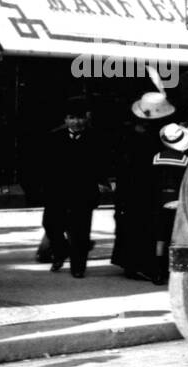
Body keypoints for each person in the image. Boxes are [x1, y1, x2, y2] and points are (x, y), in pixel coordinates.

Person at [42, 97, 110, 278]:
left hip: (84, 191)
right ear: (65, 120)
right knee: (51, 224)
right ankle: (61, 250)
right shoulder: (53, 137)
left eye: (80, 118)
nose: (76, 122)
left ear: (86, 119)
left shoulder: (96, 138)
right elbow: (45, 165)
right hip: (58, 191)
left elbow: (102, 164)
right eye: (72, 118)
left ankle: (78, 266)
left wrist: (103, 182)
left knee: (80, 230)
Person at [111, 90, 175, 280]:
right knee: (149, 225)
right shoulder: (163, 133)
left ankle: (128, 262)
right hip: (152, 184)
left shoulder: (129, 130)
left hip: (128, 184)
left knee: (129, 222)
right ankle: (146, 264)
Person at [149, 121, 188, 284]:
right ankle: (174, 270)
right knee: (176, 236)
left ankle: (157, 271)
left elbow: (152, 183)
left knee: (160, 237)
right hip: (178, 200)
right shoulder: (186, 160)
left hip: (158, 200)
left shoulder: (156, 157)